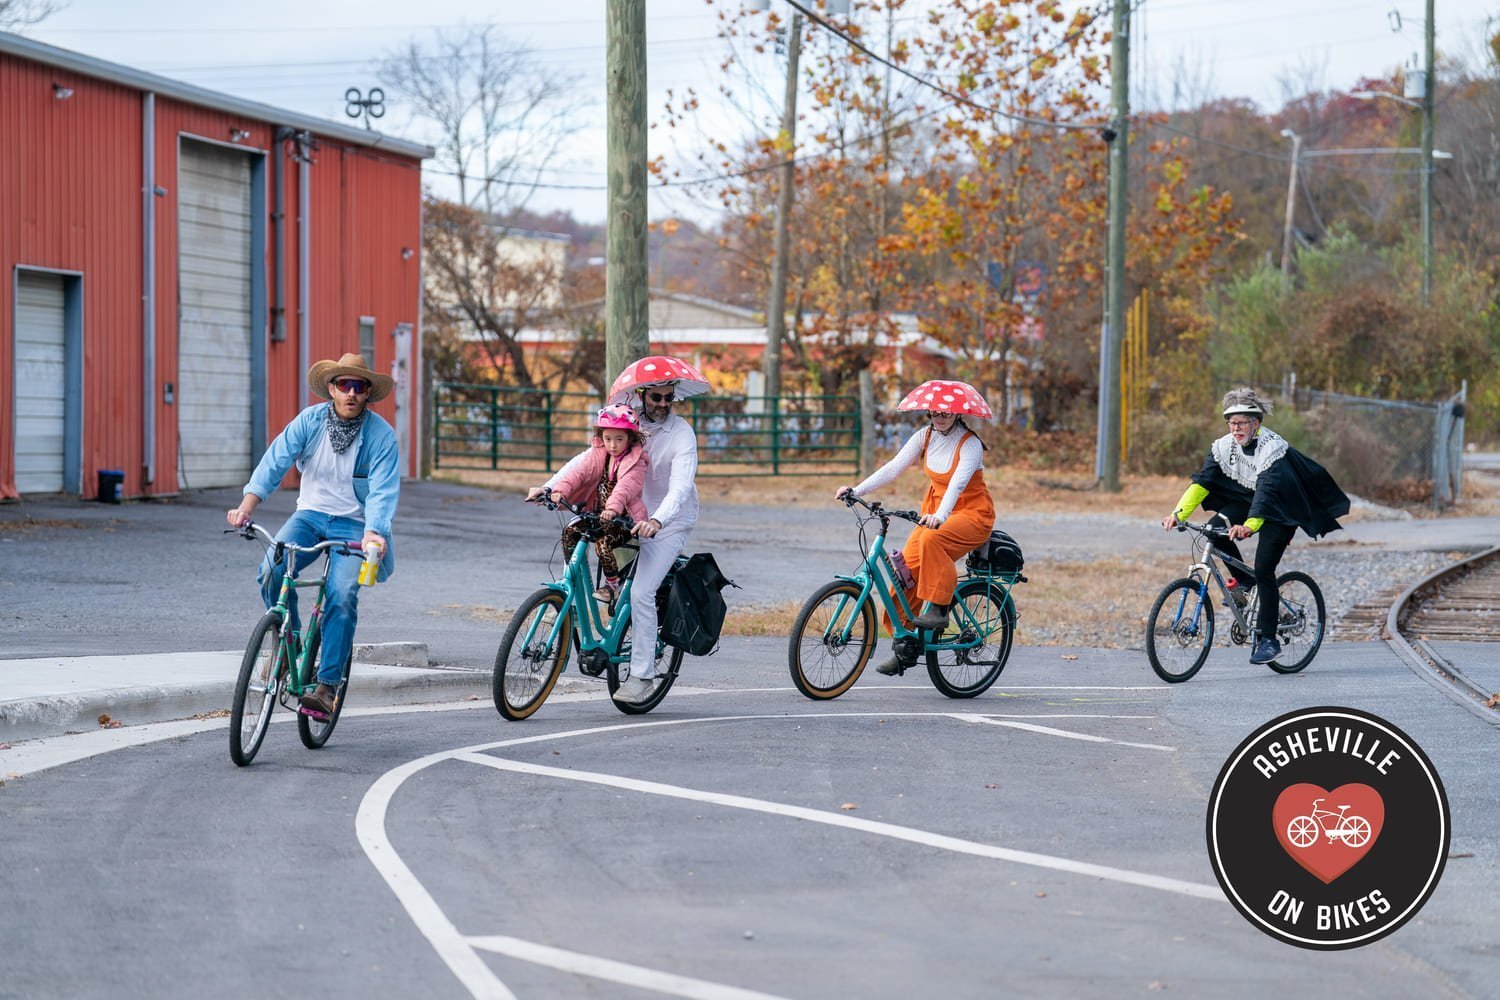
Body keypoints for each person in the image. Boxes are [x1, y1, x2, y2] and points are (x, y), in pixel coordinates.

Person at [226, 353, 401, 715]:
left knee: (341, 595)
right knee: (271, 571)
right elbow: (275, 461)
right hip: (309, 517)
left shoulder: (381, 437)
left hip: (355, 526)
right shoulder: (309, 421)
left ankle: (327, 685)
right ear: (331, 390)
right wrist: (247, 507)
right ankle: (288, 644)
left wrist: (375, 533)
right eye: (343, 385)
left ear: (368, 393)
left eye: (359, 386)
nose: (351, 393)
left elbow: (383, 490)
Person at [1161, 387, 1349, 665]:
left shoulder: (1271, 448)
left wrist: (1250, 526)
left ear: (1256, 423)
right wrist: (1178, 513)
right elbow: (1203, 482)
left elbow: (1267, 492)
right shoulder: (1223, 447)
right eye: (1232, 422)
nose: (1235, 428)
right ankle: (1247, 588)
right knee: (1214, 532)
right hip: (1248, 500)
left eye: (1241, 423)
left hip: (1281, 508)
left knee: (1264, 568)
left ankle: (1269, 640)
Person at [836, 405, 995, 676]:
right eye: (934, 413)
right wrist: (857, 489)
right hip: (937, 512)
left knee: (932, 541)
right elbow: (894, 467)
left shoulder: (971, 445)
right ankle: (905, 646)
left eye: (945, 413)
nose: (939, 418)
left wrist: (940, 516)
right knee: (904, 574)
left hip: (971, 514)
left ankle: (940, 609)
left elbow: (957, 484)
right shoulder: (925, 436)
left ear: (957, 414)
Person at [612, 377, 700, 703]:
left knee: (642, 591)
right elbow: (592, 459)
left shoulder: (682, 434)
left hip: (669, 522)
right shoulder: (627, 421)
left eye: (669, 397)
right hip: (631, 514)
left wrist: (657, 520)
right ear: (642, 395)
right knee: (589, 546)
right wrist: (554, 487)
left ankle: (642, 675)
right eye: (656, 397)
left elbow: (680, 487)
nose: (663, 404)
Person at [526, 404, 650, 604]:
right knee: (570, 531)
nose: (612, 445)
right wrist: (560, 491)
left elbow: (626, 488)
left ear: (630, 438)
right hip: (599, 514)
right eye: (608, 438)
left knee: (603, 545)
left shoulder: (636, 462)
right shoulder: (600, 454)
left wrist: (612, 508)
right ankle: (571, 574)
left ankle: (612, 586)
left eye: (619, 439)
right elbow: (578, 473)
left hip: (622, 519)